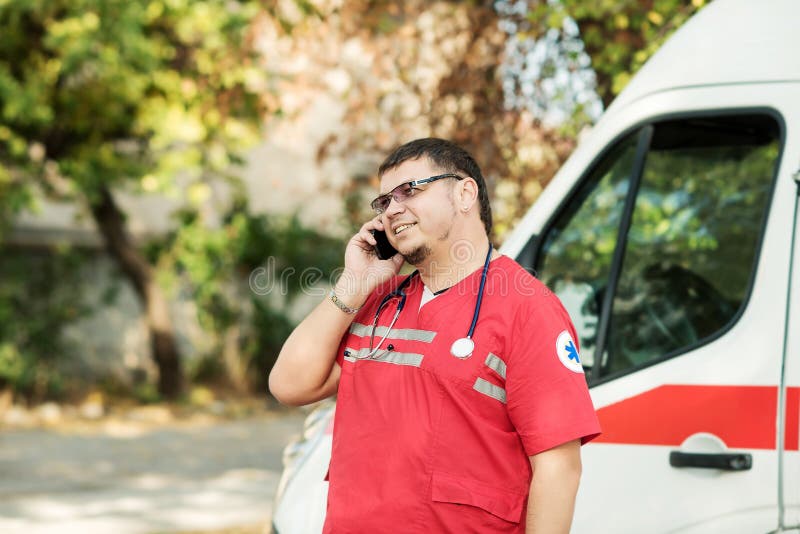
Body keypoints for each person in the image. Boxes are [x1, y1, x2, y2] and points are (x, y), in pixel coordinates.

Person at [269, 138, 601, 533]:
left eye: (409, 190)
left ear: (464, 193)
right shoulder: (378, 302)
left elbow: (558, 469)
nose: (393, 210)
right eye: (384, 201)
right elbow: (289, 385)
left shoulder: (529, 309)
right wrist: (355, 283)